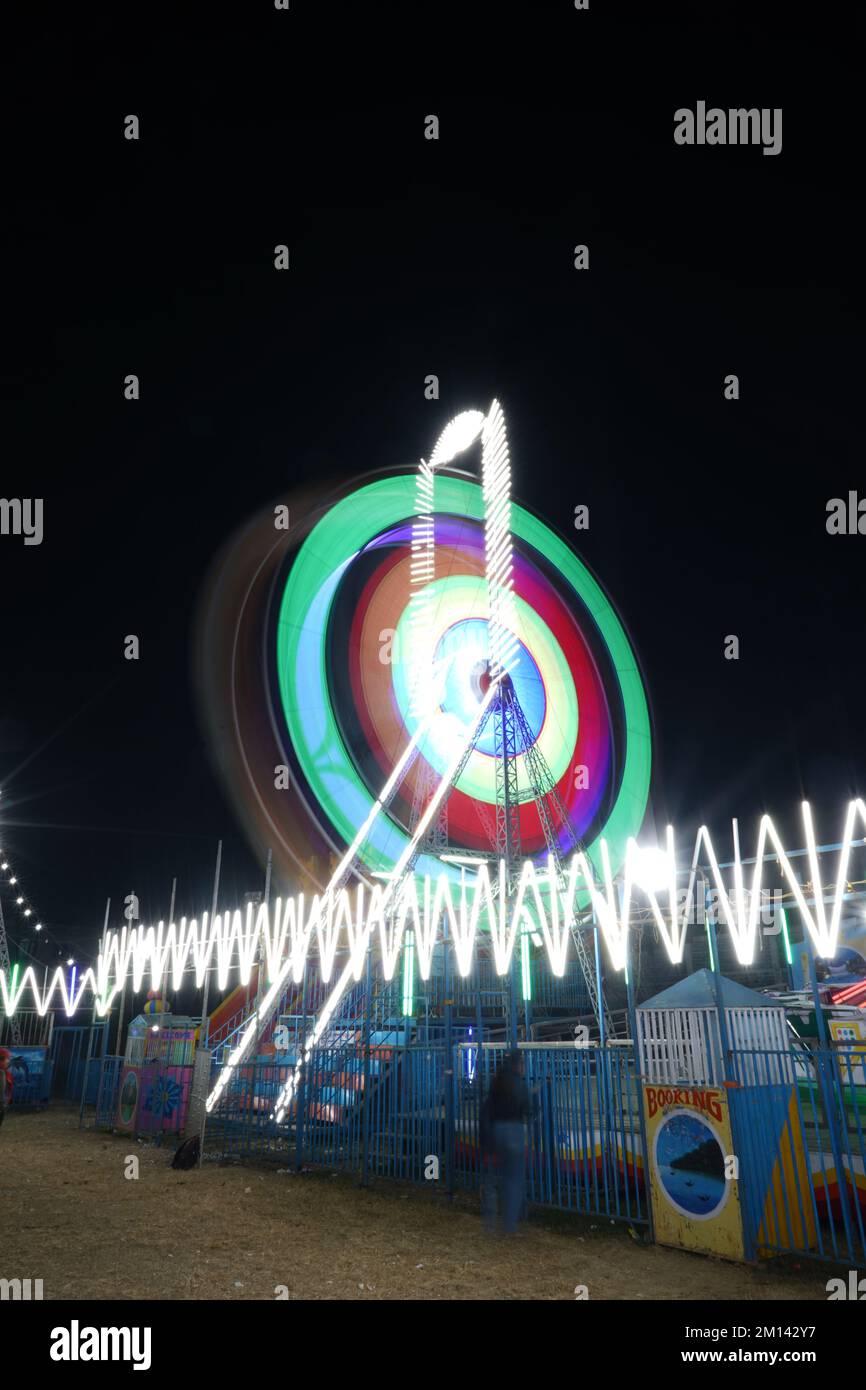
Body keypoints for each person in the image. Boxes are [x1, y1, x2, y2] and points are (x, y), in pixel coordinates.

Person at [480, 1049, 530, 1235]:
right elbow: (527, 1108)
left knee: (491, 1179)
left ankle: (490, 1225)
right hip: (514, 1132)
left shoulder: (496, 1082)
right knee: (513, 1180)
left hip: (495, 1130)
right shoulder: (518, 1083)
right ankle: (510, 1225)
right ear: (518, 1065)